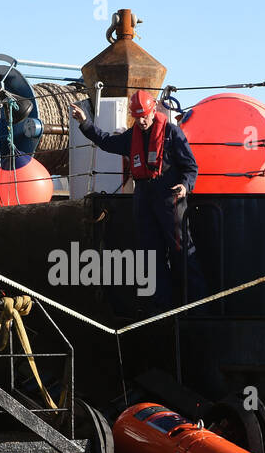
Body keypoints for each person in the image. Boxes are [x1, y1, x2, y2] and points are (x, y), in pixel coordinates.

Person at [69, 91, 206, 309]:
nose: (141, 121)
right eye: (137, 117)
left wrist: (185, 185)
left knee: (183, 253)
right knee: (150, 255)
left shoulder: (171, 133)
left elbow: (191, 167)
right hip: (143, 197)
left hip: (169, 198)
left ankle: (198, 307)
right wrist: (86, 124)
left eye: (144, 116)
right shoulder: (131, 136)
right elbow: (107, 142)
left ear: (153, 111)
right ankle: (161, 308)